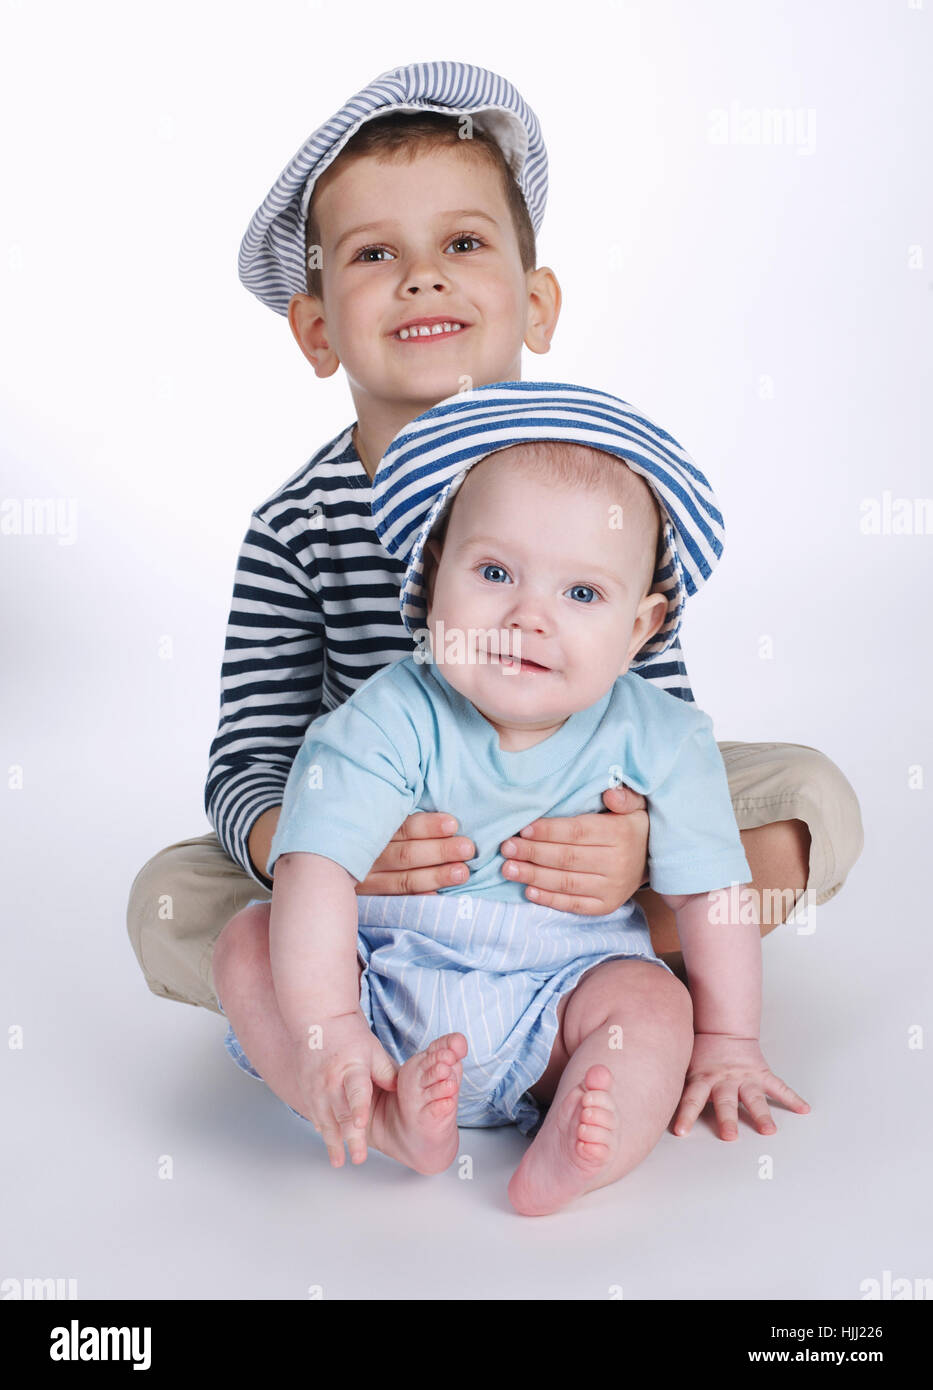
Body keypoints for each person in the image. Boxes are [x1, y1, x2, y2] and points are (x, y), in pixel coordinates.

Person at [126, 61, 862, 1033]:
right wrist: (307, 844)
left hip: (566, 833)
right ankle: (370, 985)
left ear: (538, 301)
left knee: (811, 796)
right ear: (316, 331)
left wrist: (638, 838)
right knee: (168, 896)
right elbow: (251, 755)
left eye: (463, 242)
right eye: (374, 254)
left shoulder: (615, 486)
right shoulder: (299, 527)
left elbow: (658, 711)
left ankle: (608, 948)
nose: (422, 275)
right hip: (395, 856)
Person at [215, 382, 810, 1217]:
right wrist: (332, 1025)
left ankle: (576, 1150)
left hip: (561, 995)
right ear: (429, 586)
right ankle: (367, 1106)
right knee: (247, 939)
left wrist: (729, 1041)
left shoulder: (664, 735)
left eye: (581, 595)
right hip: (377, 986)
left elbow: (711, 894)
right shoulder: (385, 714)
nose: (528, 618)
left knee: (651, 1004)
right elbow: (313, 870)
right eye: (494, 573)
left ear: (641, 629)